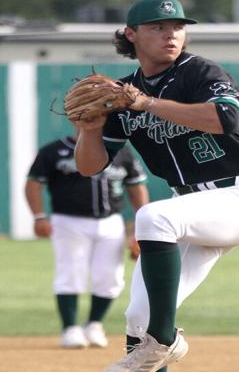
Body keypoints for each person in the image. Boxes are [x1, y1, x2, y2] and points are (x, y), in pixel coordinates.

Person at [70, 0, 239, 372]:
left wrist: (146, 101)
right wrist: (89, 130)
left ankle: (165, 341)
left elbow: (224, 119)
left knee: (153, 215)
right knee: (136, 316)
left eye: (177, 26)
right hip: (193, 207)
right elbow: (90, 168)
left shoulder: (200, 72)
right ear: (131, 35)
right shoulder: (122, 94)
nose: (171, 34)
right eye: (156, 26)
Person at [26, 136, 150, 348]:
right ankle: (70, 328)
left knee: (110, 277)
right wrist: (39, 216)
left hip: (111, 220)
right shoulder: (54, 150)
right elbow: (33, 183)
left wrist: (142, 228)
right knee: (70, 272)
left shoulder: (121, 150)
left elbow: (136, 186)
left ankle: (94, 324)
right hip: (68, 220)